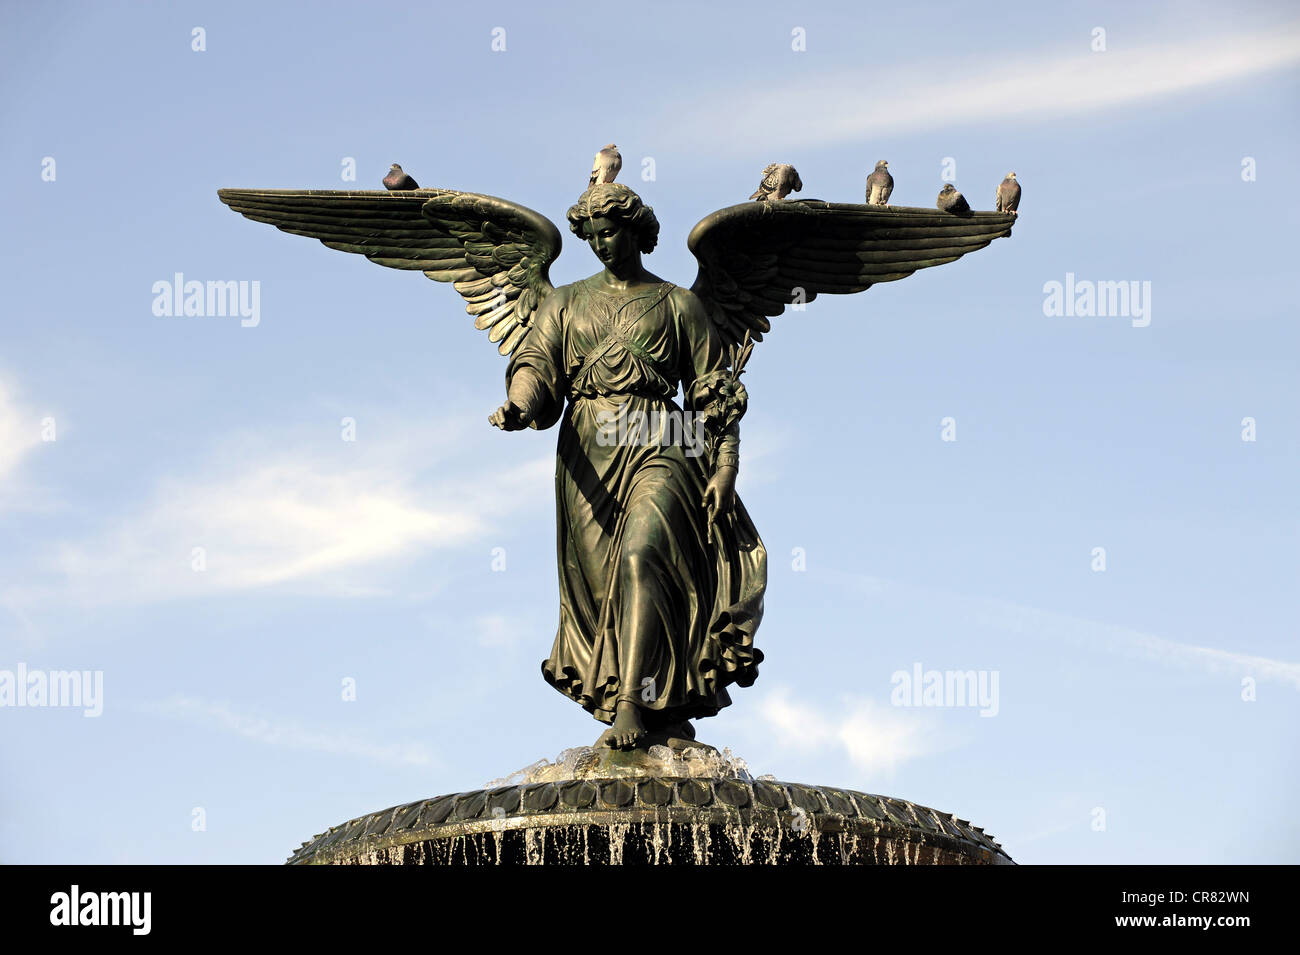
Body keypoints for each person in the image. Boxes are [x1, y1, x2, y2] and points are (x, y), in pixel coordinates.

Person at [489, 183, 766, 750]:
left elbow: (713, 391)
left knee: (643, 556)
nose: (601, 245)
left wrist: (726, 465)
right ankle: (653, 697)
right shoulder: (562, 302)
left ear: (637, 231)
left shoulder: (677, 304)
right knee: (601, 588)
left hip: (662, 438)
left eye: (610, 232)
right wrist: (520, 404)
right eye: (592, 236)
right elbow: (538, 365)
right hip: (587, 452)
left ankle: (632, 705)